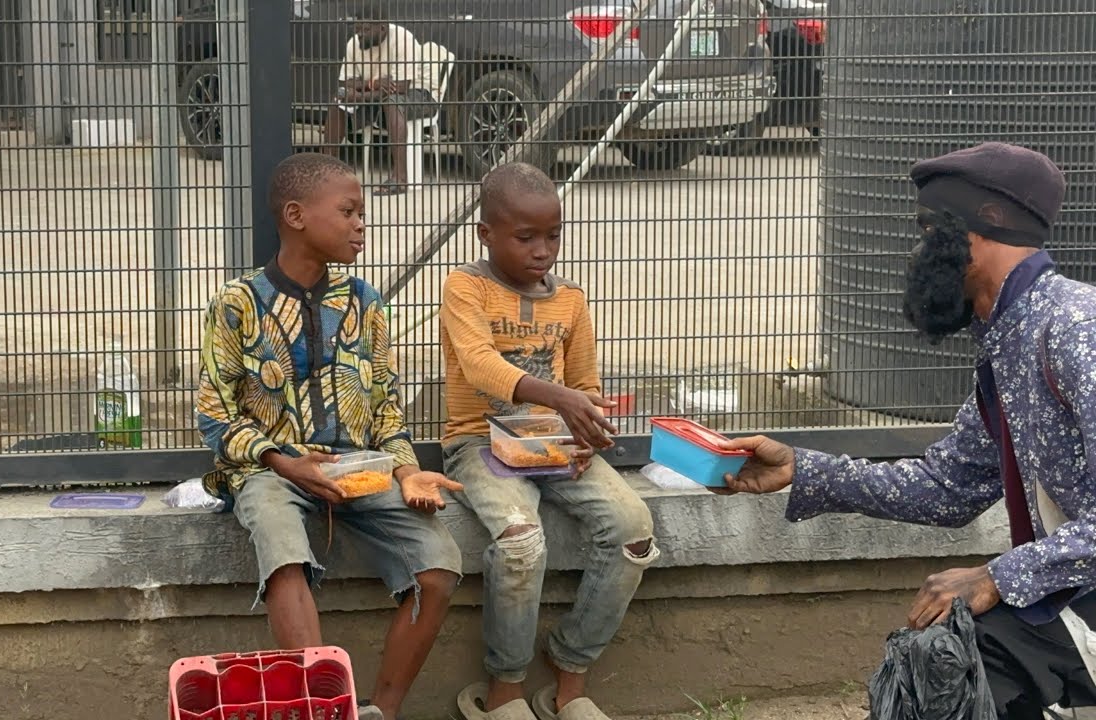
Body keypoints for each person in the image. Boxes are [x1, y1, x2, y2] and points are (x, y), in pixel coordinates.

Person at [715, 142, 1096, 720]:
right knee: (934, 668)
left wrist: (998, 575)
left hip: (1079, 596)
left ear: (984, 225)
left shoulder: (1075, 328)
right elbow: (948, 487)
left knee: (938, 675)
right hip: (1072, 592)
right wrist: (804, 468)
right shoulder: (1009, 340)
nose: (917, 251)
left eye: (927, 230)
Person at [196, 152, 464, 720]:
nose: (361, 224)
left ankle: (382, 711)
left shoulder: (366, 304)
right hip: (271, 472)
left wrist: (407, 468)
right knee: (283, 550)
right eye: (347, 211)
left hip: (360, 471)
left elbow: (386, 404)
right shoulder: (237, 303)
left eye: (361, 212)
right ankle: (324, 711)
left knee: (439, 564)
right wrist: (283, 460)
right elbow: (215, 415)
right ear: (295, 215)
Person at [439, 163, 659, 720]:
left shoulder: (571, 301)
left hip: (555, 445)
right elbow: (480, 364)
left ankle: (568, 680)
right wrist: (558, 396)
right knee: (519, 540)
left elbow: (585, 384)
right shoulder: (465, 287)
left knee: (632, 530)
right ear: (486, 234)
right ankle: (505, 690)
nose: (543, 250)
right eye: (525, 236)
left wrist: (588, 430)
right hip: (480, 444)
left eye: (553, 235)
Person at [323, 8, 439, 196]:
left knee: (392, 100)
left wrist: (359, 94)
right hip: (377, 97)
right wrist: (373, 84)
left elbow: (400, 87)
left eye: (366, 30)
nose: (360, 34)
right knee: (338, 100)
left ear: (383, 28)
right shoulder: (355, 43)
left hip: (419, 94)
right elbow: (347, 82)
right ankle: (325, 175)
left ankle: (400, 179)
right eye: (358, 29)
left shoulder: (403, 39)